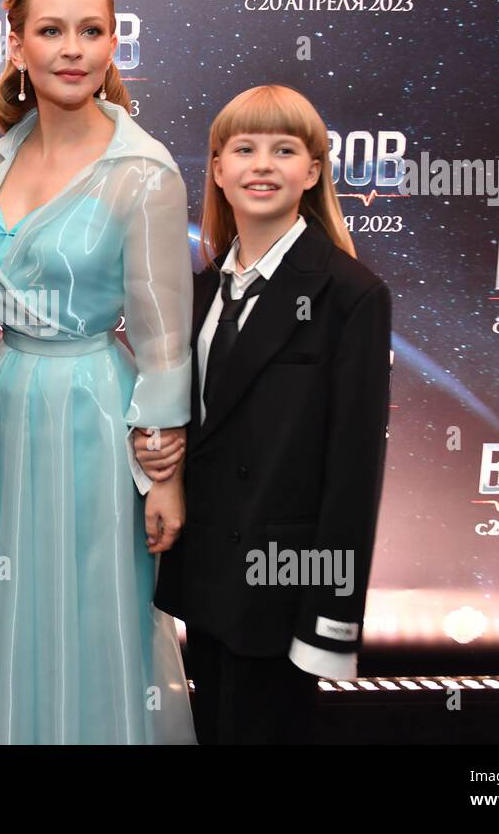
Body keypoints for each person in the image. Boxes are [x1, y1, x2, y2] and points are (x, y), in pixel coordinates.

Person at [0, 0, 195, 743]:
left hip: (95, 412)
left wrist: (164, 477)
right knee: (9, 601)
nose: (72, 49)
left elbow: (164, 342)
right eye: (51, 30)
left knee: (96, 609)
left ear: (115, 44)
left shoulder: (143, 172)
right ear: (16, 46)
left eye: (92, 30)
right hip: (4, 408)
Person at [137, 84, 392, 743]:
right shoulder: (199, 290)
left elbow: (354, 472)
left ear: (312, 171)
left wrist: (329, 619)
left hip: (285, 588)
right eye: (243, 148)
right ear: (217, 170)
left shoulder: (350, 295)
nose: (262, 164)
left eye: (284, 149)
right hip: (208, 581)